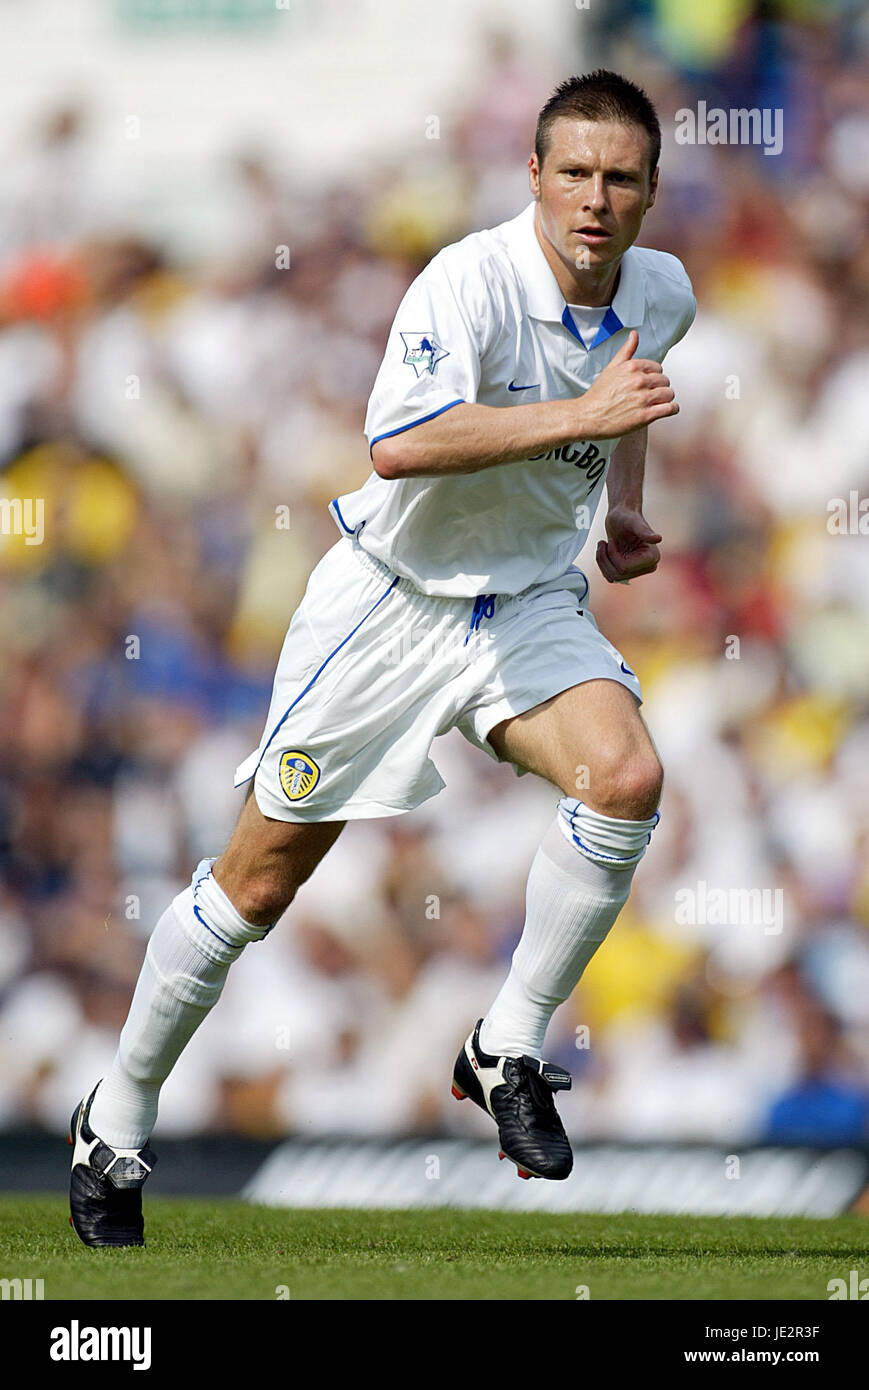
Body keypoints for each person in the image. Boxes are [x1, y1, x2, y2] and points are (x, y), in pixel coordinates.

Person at [69, 69, 695, 1246]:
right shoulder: (467, 279)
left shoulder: (660, 292)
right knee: (255, 886)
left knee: (624, 777)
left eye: (619, 178)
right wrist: (583, 424)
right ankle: (117, 1114)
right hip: (388, 609)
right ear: (533, 176)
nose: (593, 200)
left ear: (652, 193)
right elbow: (399, 444)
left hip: (522, 605)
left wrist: (618, 510)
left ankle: (504, 1042)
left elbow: (632, 402)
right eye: (573, 173)